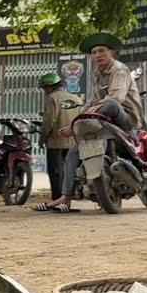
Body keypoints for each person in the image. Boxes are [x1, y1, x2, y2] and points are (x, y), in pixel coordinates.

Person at [34, 32, 145, 213]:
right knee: (72, 153)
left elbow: (116, 97)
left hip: (124, 117)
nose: (97, 55)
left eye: (101, 51)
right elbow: (92, 100)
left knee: (110, 103)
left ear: (111, 53)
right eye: (94, 52)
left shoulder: (119, 70)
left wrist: (91, 113)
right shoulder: (97, 74)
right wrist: (75, 123)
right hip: (103, 122)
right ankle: (65, 198)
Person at [36, 72, 84, 202]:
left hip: (56, 142)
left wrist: (43, 138)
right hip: (74, 142)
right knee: (71, 171)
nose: (44, 91)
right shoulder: (77, 98)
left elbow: (49, 121)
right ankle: (69, 198)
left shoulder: (52, 98)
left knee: (56, 172)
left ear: (49, 87)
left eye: (44, 88)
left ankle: (57, 199)